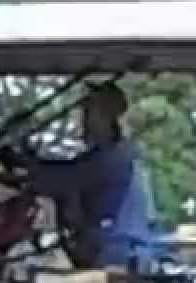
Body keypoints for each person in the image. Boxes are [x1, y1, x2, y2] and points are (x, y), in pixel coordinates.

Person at [25, 84, 152, 272]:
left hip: (116, 257)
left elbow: (60, 180)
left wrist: (24, 167)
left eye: (89, 112)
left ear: (108, 117)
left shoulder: (112, 158)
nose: (83, 120)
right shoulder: (118, 154)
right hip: (121, 252)